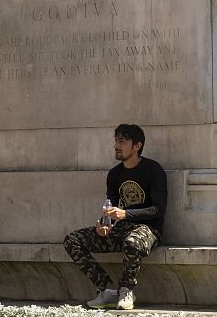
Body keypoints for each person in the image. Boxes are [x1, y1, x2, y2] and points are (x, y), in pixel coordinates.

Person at [63, 124, 167, 311]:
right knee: (72, 240)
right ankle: (108, 290)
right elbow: (110, 207)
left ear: (137, 146)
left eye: (122, 141)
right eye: (116, 141)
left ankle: (126, 290)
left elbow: (158, 210)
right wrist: (105, 225)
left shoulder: (153, 170)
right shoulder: (114, 174)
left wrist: (126, 214)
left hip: (149, 230)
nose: (116, 146)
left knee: (132, 242)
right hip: (122, 229)